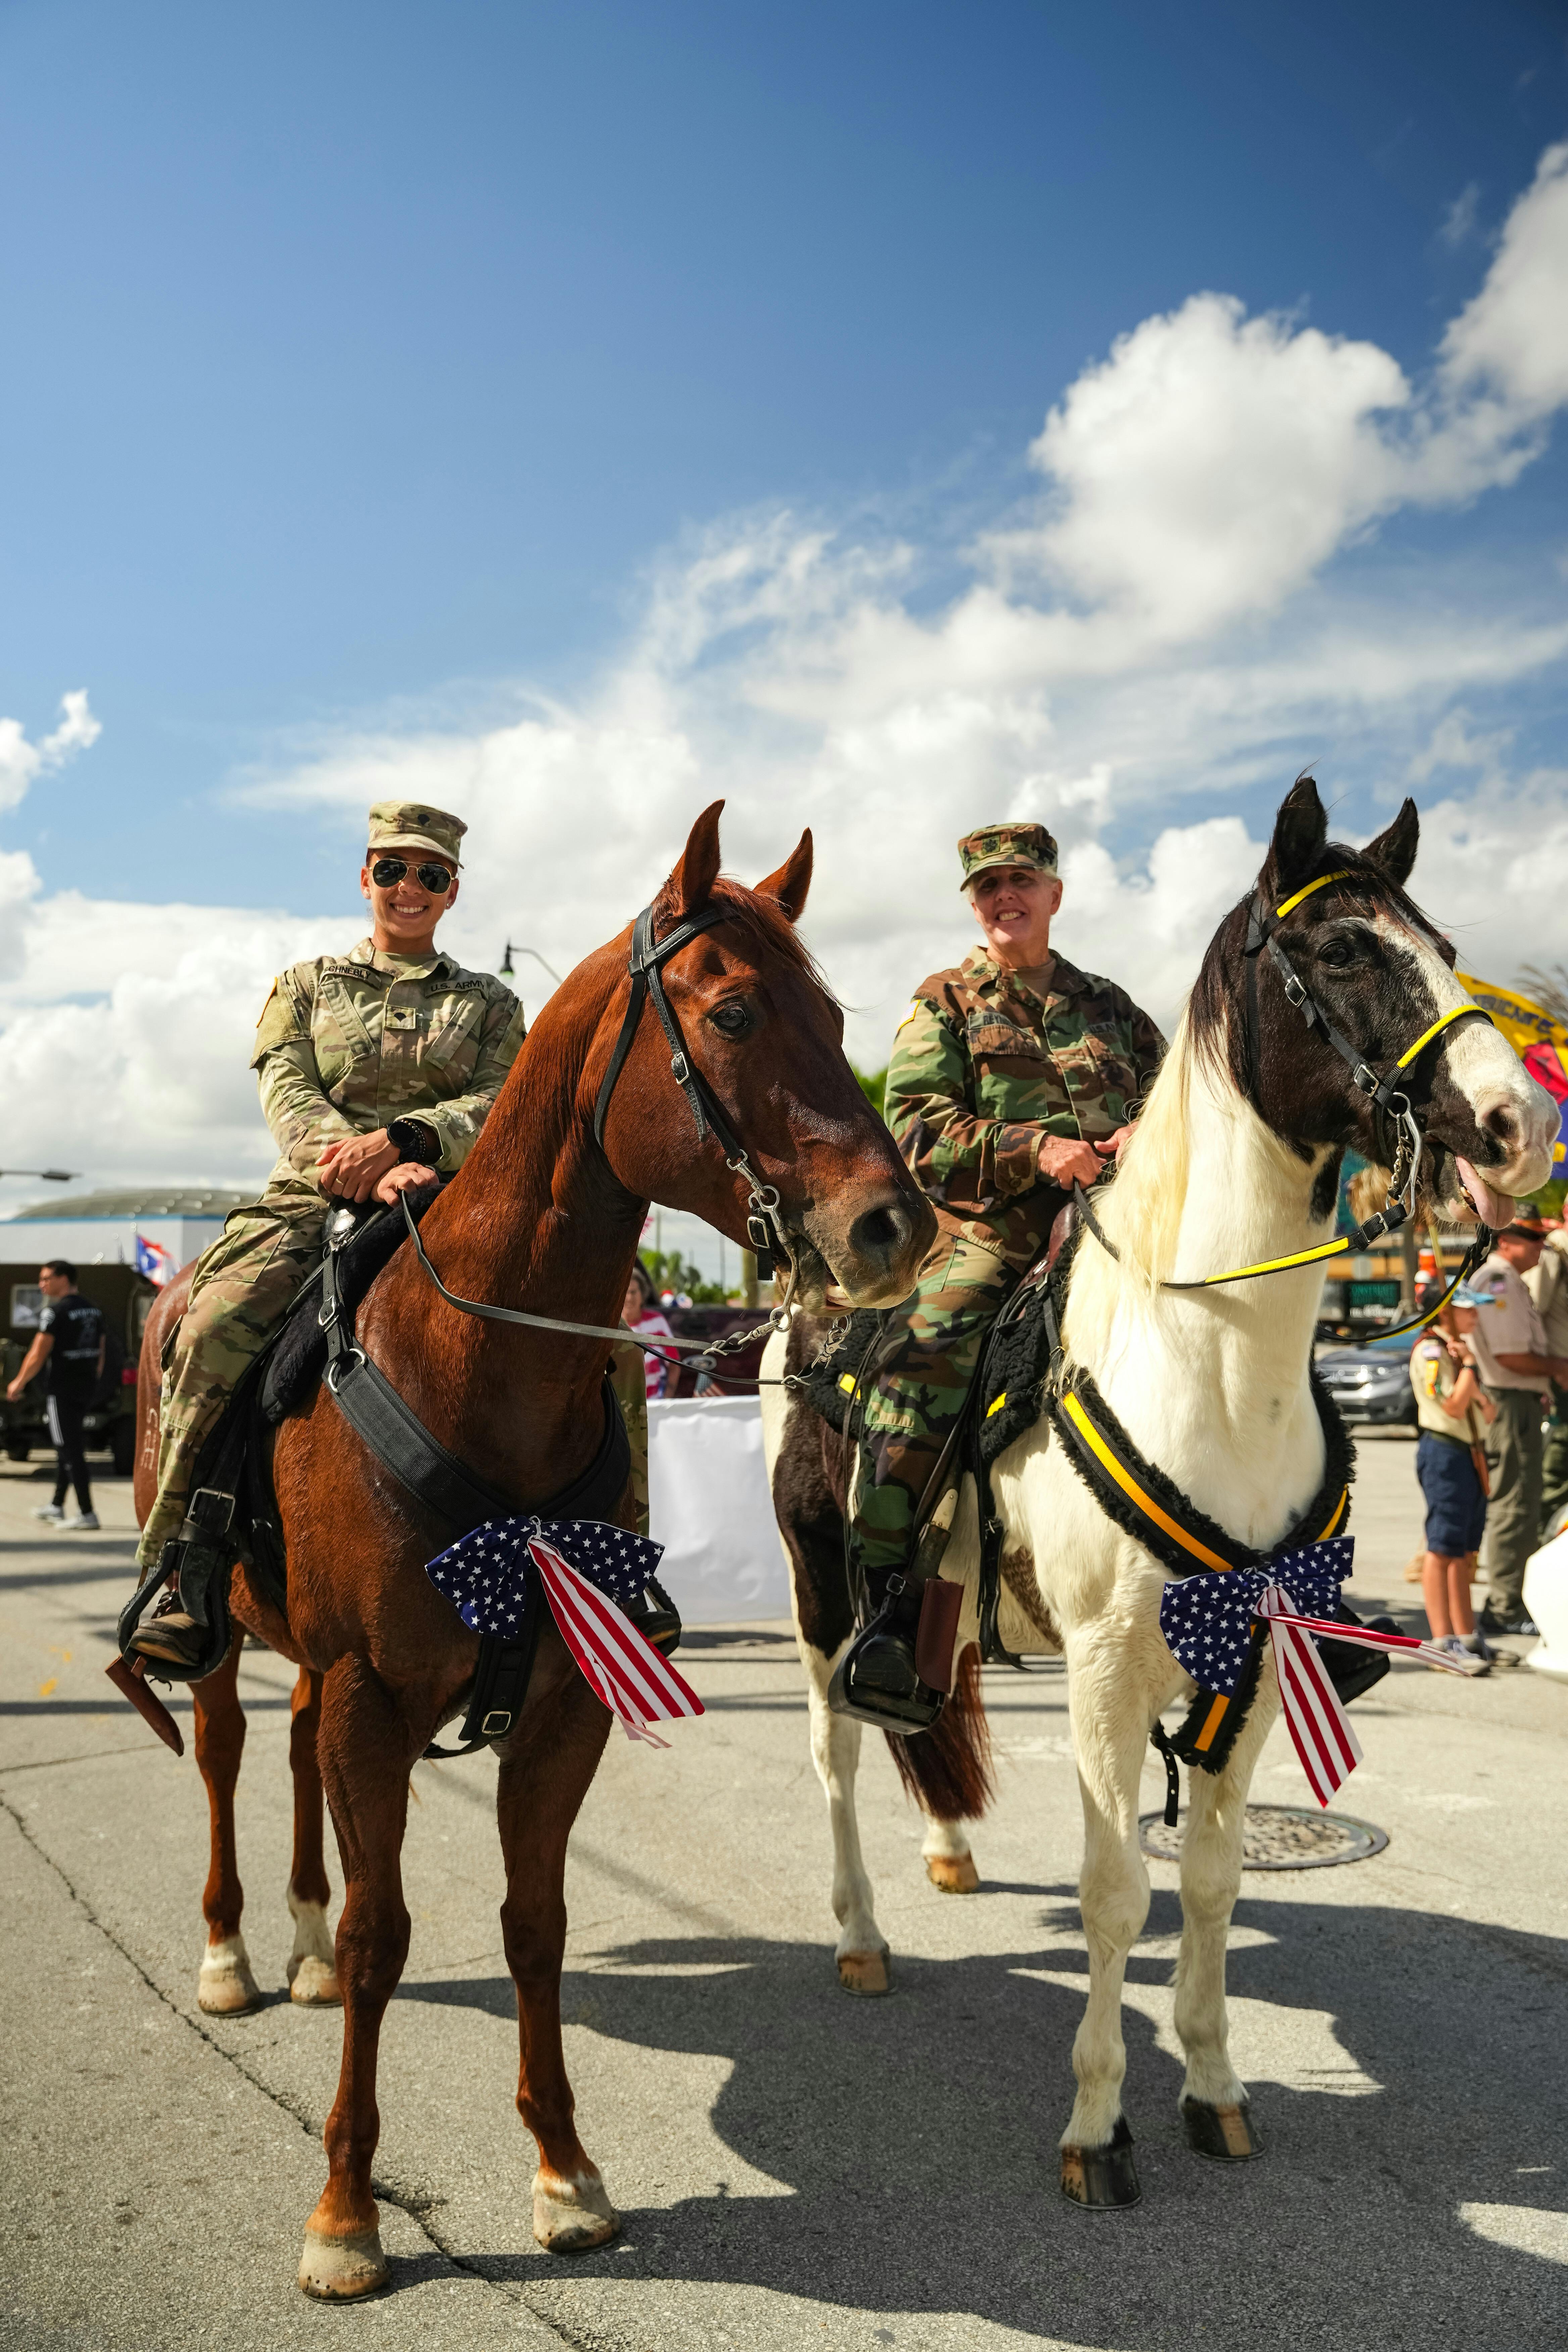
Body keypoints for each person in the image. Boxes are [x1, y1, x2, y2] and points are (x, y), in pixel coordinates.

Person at [130, 801, 527, 1671]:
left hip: (450, 1203)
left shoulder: (492, 1003)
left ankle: (613, 1564)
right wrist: (361, 1163)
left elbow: (504, 1101)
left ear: (453, 891)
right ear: (365, 879)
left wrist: (412, 1141)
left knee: (598, 1324)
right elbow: (287, 1091)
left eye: (430, 875)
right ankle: (187, 1564)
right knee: (212, 1324)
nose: (408, 888)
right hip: (314, 1200)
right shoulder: (305, 986)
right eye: (391, 870)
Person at [837, 820, 1166, 1726]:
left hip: (1126, 1220)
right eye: (988, 887)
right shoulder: (943, 1000)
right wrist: (1040, 1150)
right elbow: (916, 1131)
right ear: (975, 905)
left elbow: (1182, 1101)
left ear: (1055, 896)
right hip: (996, 1230)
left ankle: (1291, 1591)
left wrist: (1150, 1131)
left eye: (1021, 880)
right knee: (924, 1357)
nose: (1004, 896)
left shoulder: (1114, 1007)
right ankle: (893, 1610)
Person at [1466, 1210, 1568, 1639]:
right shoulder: (1499, 1281)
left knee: (1523, 1503)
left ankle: (1511, 1600)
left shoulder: (1511, 1282)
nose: (1539, 1246)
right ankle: (1504, 1606)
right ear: (1505, 1240)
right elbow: (1510, 1356)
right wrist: (1560, 1366)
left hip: (1521, 1400)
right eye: (1530, 1238)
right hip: (1508, 1402)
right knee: (1513, 1506)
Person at [1409, 1287, 1500, 1674]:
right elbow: (1452, 1405)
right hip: (1444, 1451)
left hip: (1469, 1452)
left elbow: (1489, 1411)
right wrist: (1467, 1368)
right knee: (1442, 1547)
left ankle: (1467, 1636)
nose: (1475, 1316)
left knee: (1463, 1552)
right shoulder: (1432, 1352)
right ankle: (1441, 1642)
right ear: (1444, 1313)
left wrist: (1468, 1368)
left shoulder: (1456, 1351)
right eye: (1466, 1310)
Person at [6, 1261, 106, 1531]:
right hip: (86, 1388)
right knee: (69, 1444)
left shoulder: (54, 1312)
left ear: (64, 1279)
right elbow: (101, 1351)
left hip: (61, 1390)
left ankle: (87, 1513)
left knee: (69, 1449)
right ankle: (57, 1505)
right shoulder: (94, 1310)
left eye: (47, 1278)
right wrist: (93, 1381)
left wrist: (18, 1382)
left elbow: (38, 1353)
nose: (42, 1284)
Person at [1526, 1213, 1568, 1529]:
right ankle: (1544, 1534)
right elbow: (1534, 1314)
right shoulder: (1554, 1253)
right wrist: (1548, 1372)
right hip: (1560, 1375)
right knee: (1559, 1458)